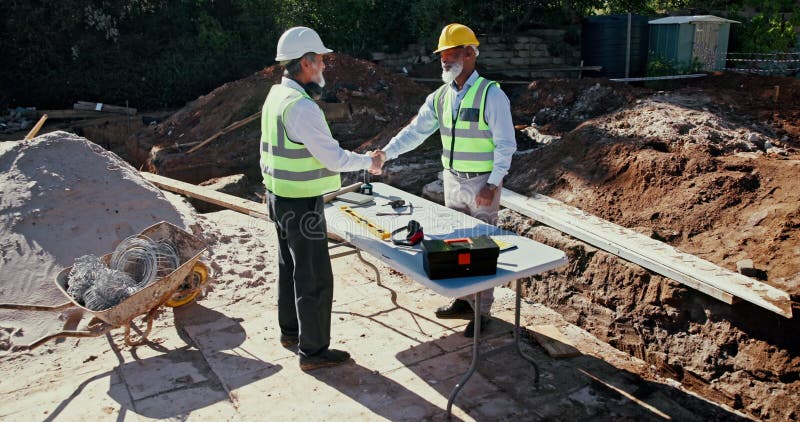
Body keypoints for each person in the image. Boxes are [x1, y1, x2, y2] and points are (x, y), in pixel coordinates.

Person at [371, 23, 516, 337]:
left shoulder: (492, 95)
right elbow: (415, 132)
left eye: (450, 53)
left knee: (482, 249)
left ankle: (483, 312)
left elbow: (506, 144)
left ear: (469, 53)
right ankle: (463, 301)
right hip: (452, 180)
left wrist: (492, 184)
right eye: (442, 54)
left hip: (482, 183)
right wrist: (386, 153)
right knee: (456, 246)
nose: (444, 60)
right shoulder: (440, 98)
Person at [262, 26, 383, 370]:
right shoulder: (302, 108)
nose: (324, 69)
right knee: (313, 276)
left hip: (278, 197)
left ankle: (291, 332)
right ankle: (313, 352)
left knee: (289, 266)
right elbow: (334, 158)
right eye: (321, 62)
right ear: (306, 62)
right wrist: (369, 163)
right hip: (301, 204)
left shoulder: (275, 97)